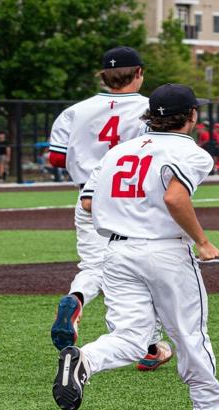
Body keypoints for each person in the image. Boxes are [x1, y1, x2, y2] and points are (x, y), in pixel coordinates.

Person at [54, 83, 219, 410]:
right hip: (165, 252)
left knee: (129, 336)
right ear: (191, 116)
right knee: (189, 335)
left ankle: (85, 360)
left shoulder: (117, 152)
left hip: (116, 251)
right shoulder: (194, 153)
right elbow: (175, 197)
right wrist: (202, 241)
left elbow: (88, 204)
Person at [46, 47, 164, 372]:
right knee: (142, 270)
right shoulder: (151, 108)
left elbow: (55, 158)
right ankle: (147, 343)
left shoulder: (75, 111)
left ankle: (78, 299)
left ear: (103, 75)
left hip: (87, 196)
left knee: (95, 266)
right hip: (132, 199)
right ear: (139, 72)